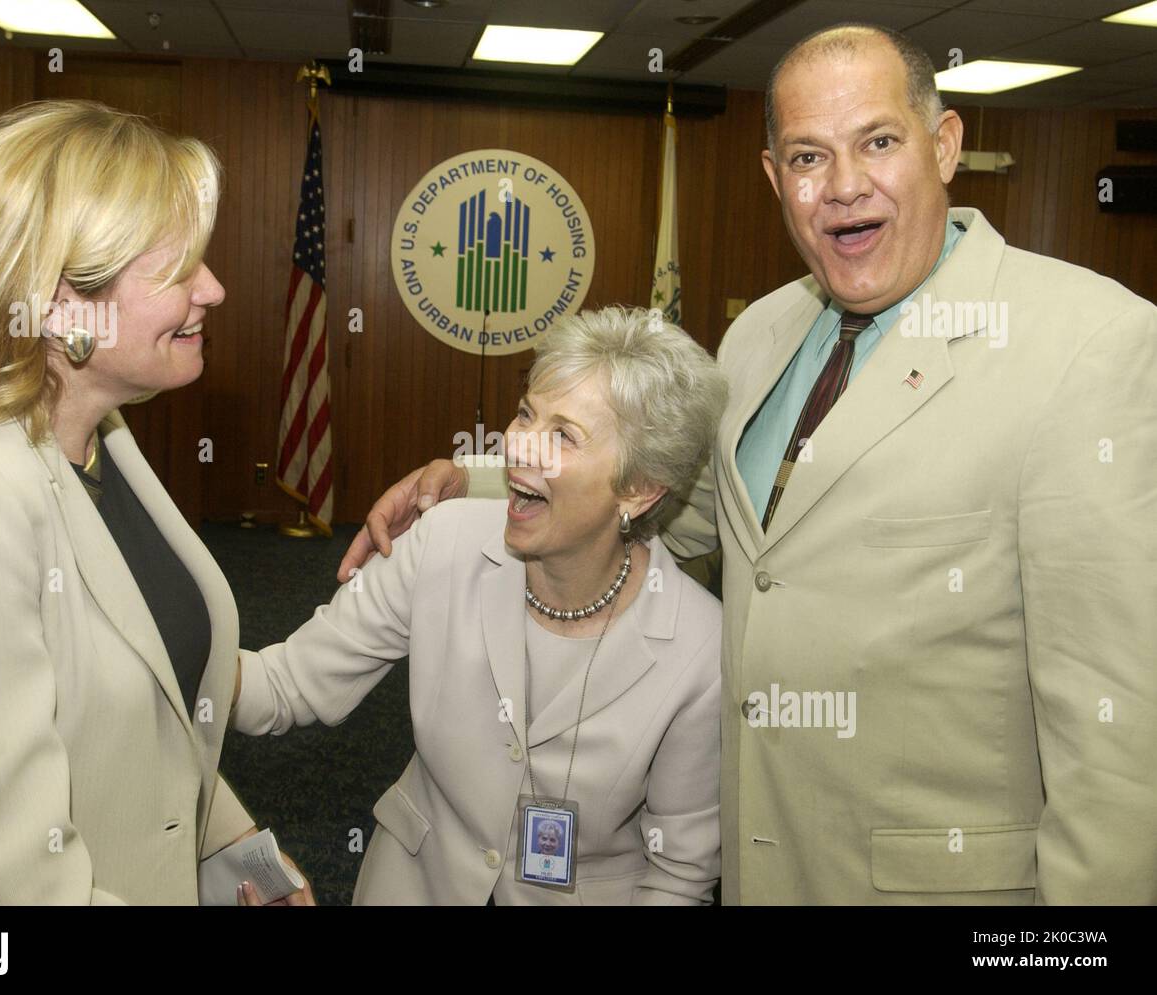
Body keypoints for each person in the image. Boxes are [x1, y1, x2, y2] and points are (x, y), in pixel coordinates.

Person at [339, 23, 1157, 904]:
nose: (844, 187)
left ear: (946, 145)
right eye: (809, 156)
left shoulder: (1088, 343)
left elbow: (1120, 738)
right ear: (776, 177)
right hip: (760, 859)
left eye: (878, 142)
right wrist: (472, 478)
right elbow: (675, 503)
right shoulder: (764, 331)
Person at [0, 99, 310, 905]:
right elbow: (2, 874)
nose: (214, 288)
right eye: (179, 267)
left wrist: (231, 844)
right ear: (60, 300)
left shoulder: (103, 436)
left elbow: (144, 710)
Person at [235, 307, 725, 905]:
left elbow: (678, 874)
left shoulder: (699, 646)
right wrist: (166, 657)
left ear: (639, 488)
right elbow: (286, 684)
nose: (518, 443)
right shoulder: (444, 542)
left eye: (563, 435)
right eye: (525, 413)